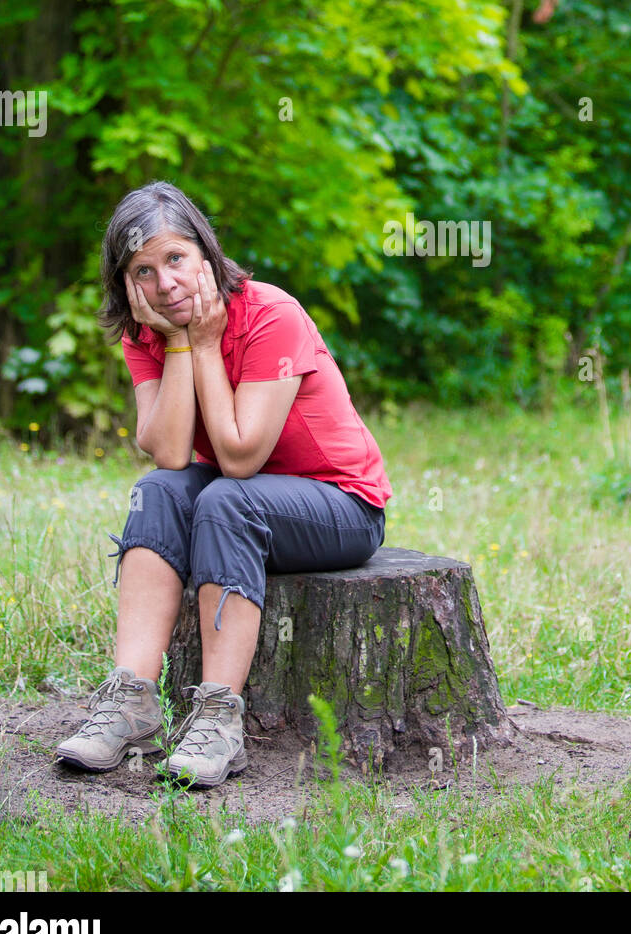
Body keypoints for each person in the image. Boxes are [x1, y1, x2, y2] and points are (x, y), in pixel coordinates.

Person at [55, 181, 392, 788]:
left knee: (225, 497)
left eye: (176, 259)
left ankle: (217, 716)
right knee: (159, 491)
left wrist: (205, 342)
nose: (165, 284)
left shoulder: (272, 315)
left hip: (340, 504)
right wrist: (180, 344)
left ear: (206, 255)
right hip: (247, 497)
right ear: (127, 283)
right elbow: (169, 452)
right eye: (144, 270)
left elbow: (238, 457)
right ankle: (131, 701)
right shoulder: (149, 333)